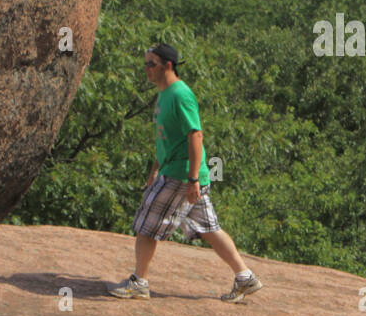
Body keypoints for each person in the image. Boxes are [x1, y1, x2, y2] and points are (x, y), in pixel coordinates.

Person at [108, 44, 263, 302]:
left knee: (147, 226)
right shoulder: (164, 93)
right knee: (209, 228)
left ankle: (139, 283)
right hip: (180, 172)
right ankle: (245, 277)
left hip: (182, 175)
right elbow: (167, 138)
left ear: (168, 65)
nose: (146, 68)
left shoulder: (180, 94)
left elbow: (195, 135)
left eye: (151, 64)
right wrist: (155, 168)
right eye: (145, 63)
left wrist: (191, 179)